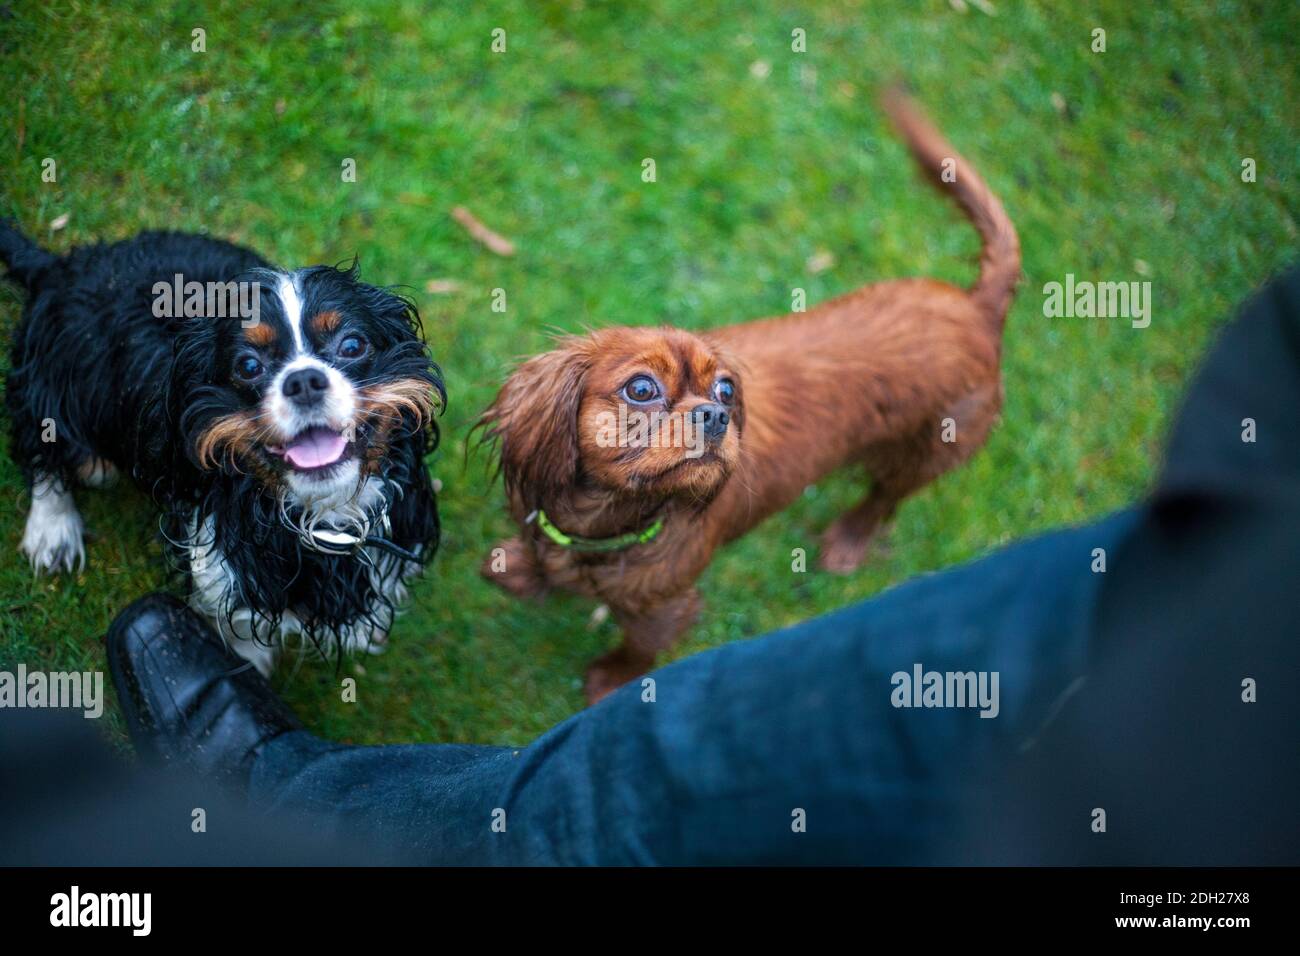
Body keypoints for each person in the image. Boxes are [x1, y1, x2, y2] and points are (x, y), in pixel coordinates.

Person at [17, 268, 1300, 866]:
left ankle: (285, 787)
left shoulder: (679, 523)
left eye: (716, 407)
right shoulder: (542, 430)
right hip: (1182, 582)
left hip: (1191, 723)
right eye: (653, 391)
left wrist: (858, 510)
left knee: (642, 768)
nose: (701, 424)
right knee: (681, 763)